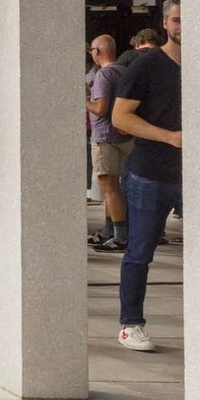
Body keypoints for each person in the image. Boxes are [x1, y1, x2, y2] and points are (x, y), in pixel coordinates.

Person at [113, 0, 183, 353]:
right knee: (140, 251)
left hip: (199, 176)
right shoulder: (147, 65)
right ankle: (131, 324)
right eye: (177, 20)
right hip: (149, 174)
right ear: (165, 25)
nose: (183, 26)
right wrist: (170, 137)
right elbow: (120, 117)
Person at [87, 34, 132, 253]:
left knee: (109, 187)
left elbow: (100, 108)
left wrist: (84, 98)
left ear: (97, 51)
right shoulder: (124, 71)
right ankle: (108, 230)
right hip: (125, 137)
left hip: (105, 137)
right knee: (113, 188)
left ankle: (120, 235)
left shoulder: (104, 75)